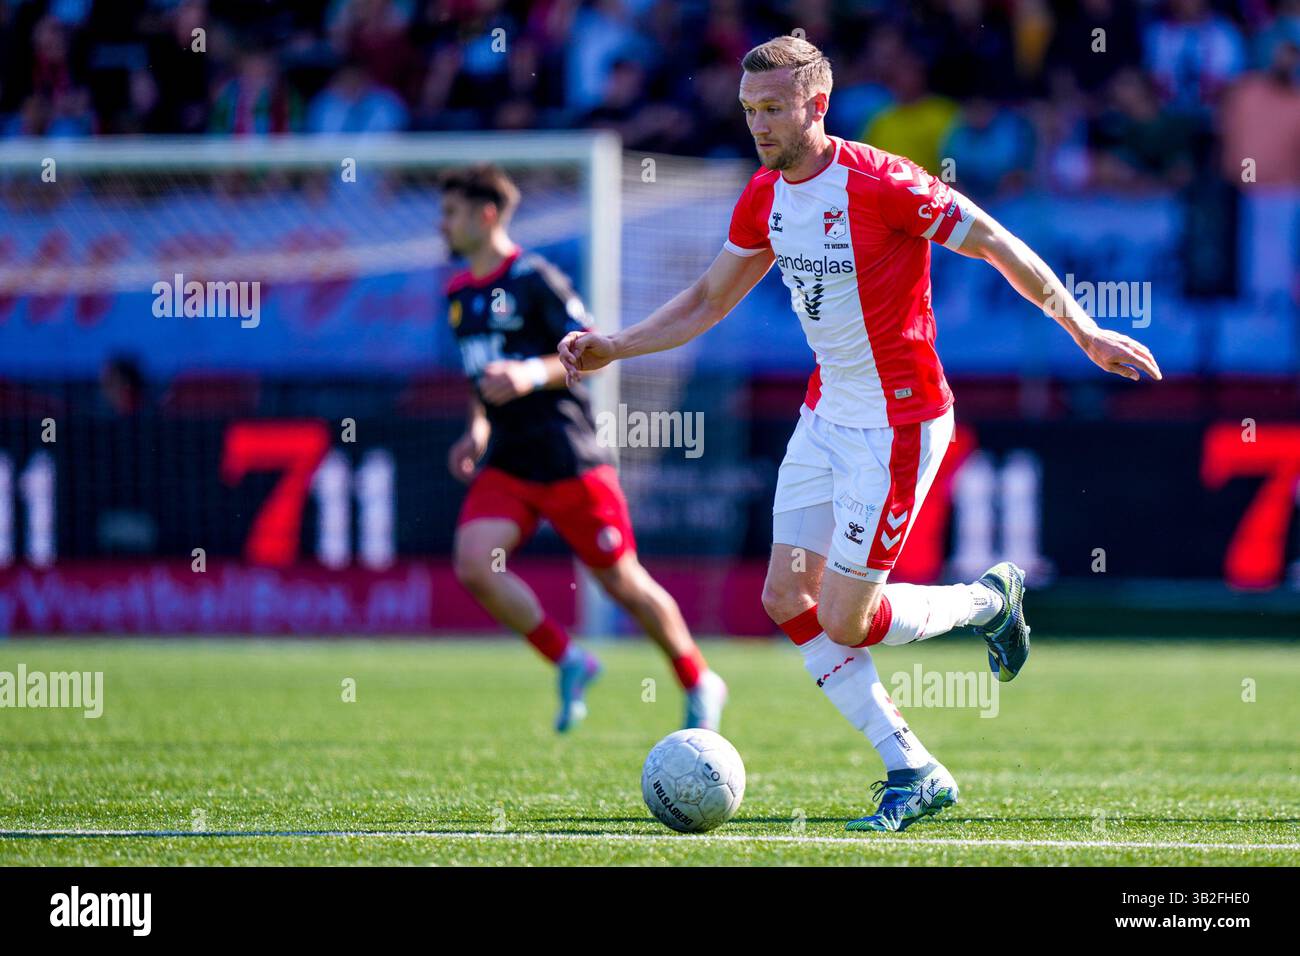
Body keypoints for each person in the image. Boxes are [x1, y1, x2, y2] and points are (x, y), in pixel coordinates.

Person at [559, 36, 1161, 831]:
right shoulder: (765, 194)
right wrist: (616, 345)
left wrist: (1085, 331)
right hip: (824, 416)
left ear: (818, 104)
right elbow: (708, 299)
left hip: (900, 423)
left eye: (773, 109)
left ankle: (986, 602)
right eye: (748, 111)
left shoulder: (881, 183)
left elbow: (994, 242)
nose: (759, 126)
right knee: (785, 597)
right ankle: (913, 769)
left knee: (844, 616)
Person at [439, 164, 728, 734]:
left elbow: (585, 355)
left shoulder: (536, 279)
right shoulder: (457, 295)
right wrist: (477, 425)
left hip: (569, 456)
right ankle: (569, 659)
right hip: (509, 462)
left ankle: (698, 677)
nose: (441, 225)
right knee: (475, 564)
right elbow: (479, 379)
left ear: (485, 214)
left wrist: (529, 373)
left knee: (622, 582)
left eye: (450, 213)